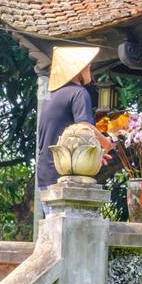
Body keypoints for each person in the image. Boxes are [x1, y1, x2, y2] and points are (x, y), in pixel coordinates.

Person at [37, 46, 112, 209]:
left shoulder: (52, 96)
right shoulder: (79, 93)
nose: (90, 68)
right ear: (78, 68)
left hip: (45, 174)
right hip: (62, 175)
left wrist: (94, 150)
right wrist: (105, 143)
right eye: (88, 65)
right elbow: (84, 126)